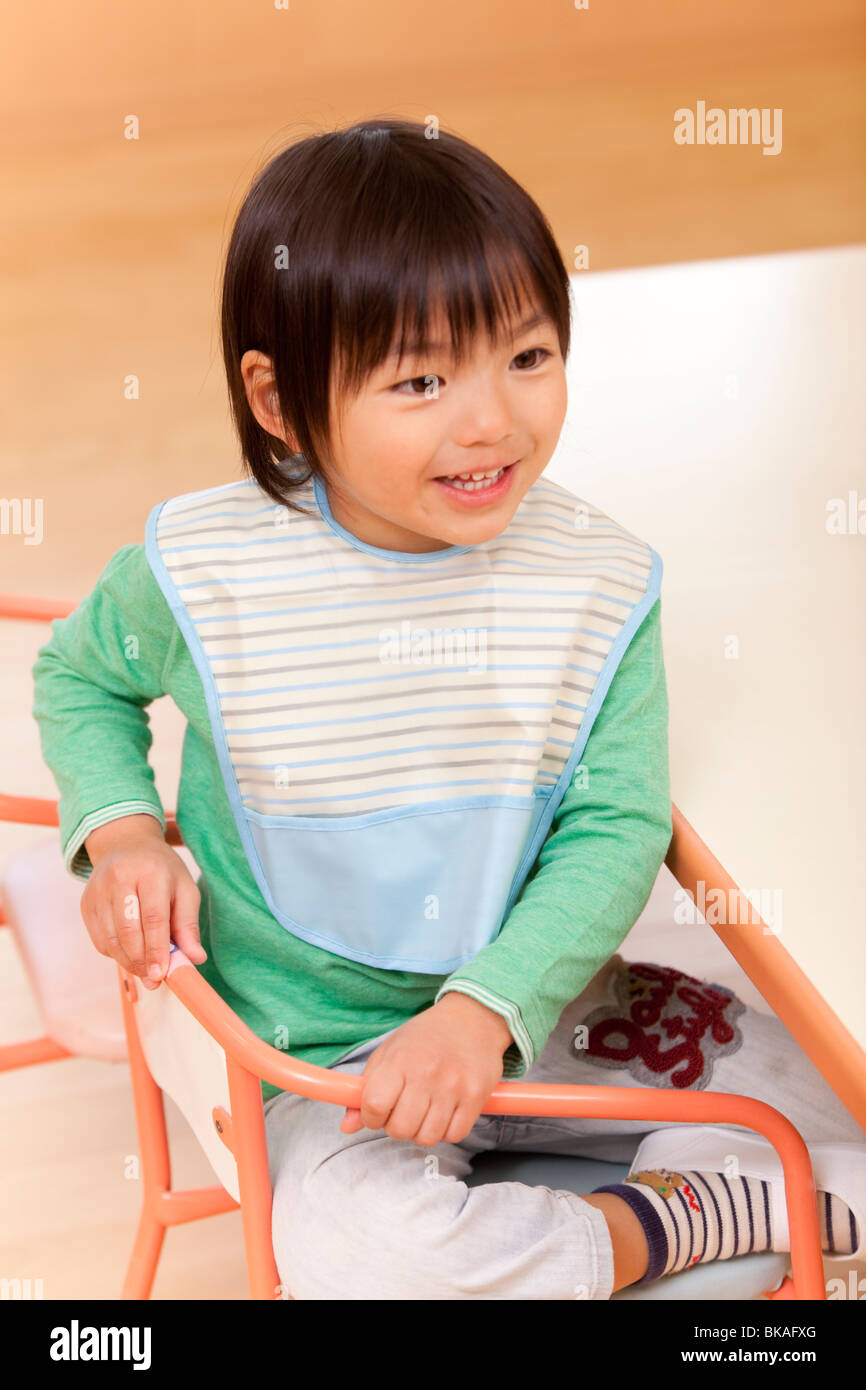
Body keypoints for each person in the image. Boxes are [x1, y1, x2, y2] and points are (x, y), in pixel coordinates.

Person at [32, 117, 865, 1300]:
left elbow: (613, 825)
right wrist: (120, 827)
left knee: (851, 1096)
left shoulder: (595, 583)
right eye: (420, 381)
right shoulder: (206, 573)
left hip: (550, 1011)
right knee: (361, 1253)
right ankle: (679, 1217)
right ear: (278, 402)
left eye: (527, 357)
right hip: (327, 1074)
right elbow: (78, 674)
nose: (490, 421)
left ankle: (672, 1188)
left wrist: (485, 1007)